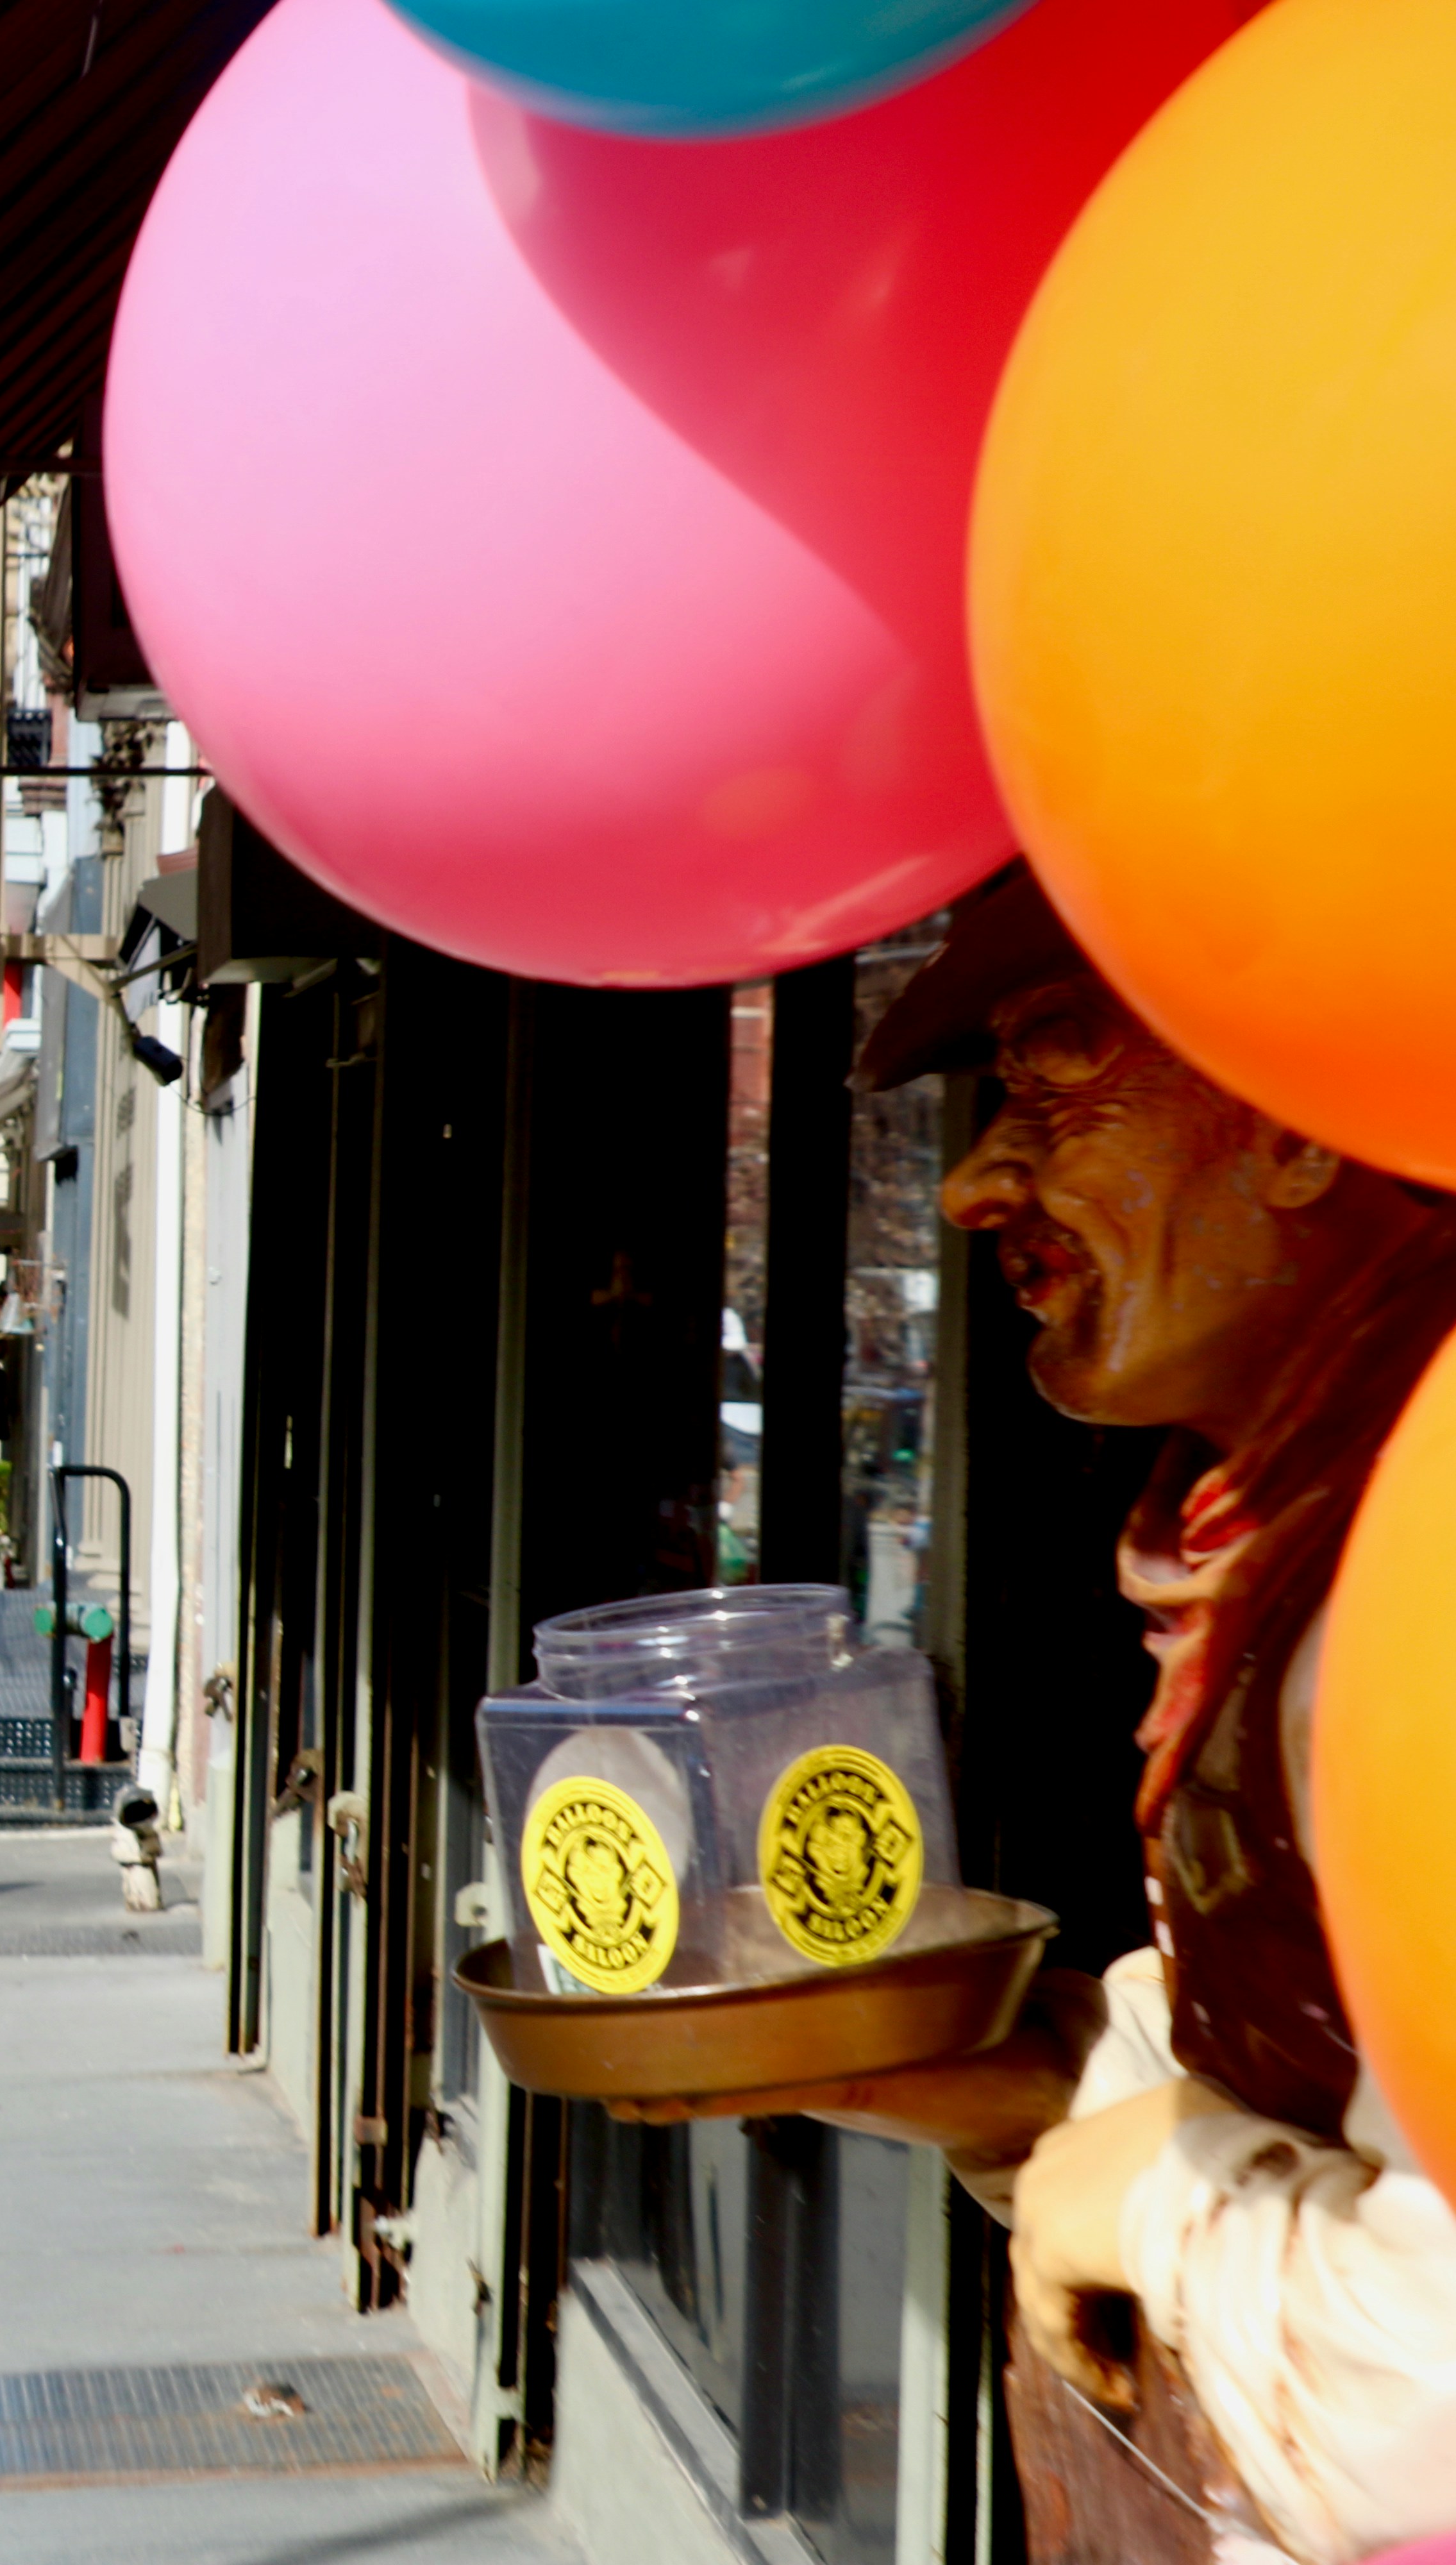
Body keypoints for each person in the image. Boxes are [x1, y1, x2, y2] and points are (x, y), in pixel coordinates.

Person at [630, 872, 1456, 2564]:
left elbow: (1425, 2396)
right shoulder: (1297, 1531)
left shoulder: (1418, 1570)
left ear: (1296, 1107)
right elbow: (1309, 2087)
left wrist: (1144, 2189)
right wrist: (1036, 2087)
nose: (972, 1181)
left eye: (1061, 1076)